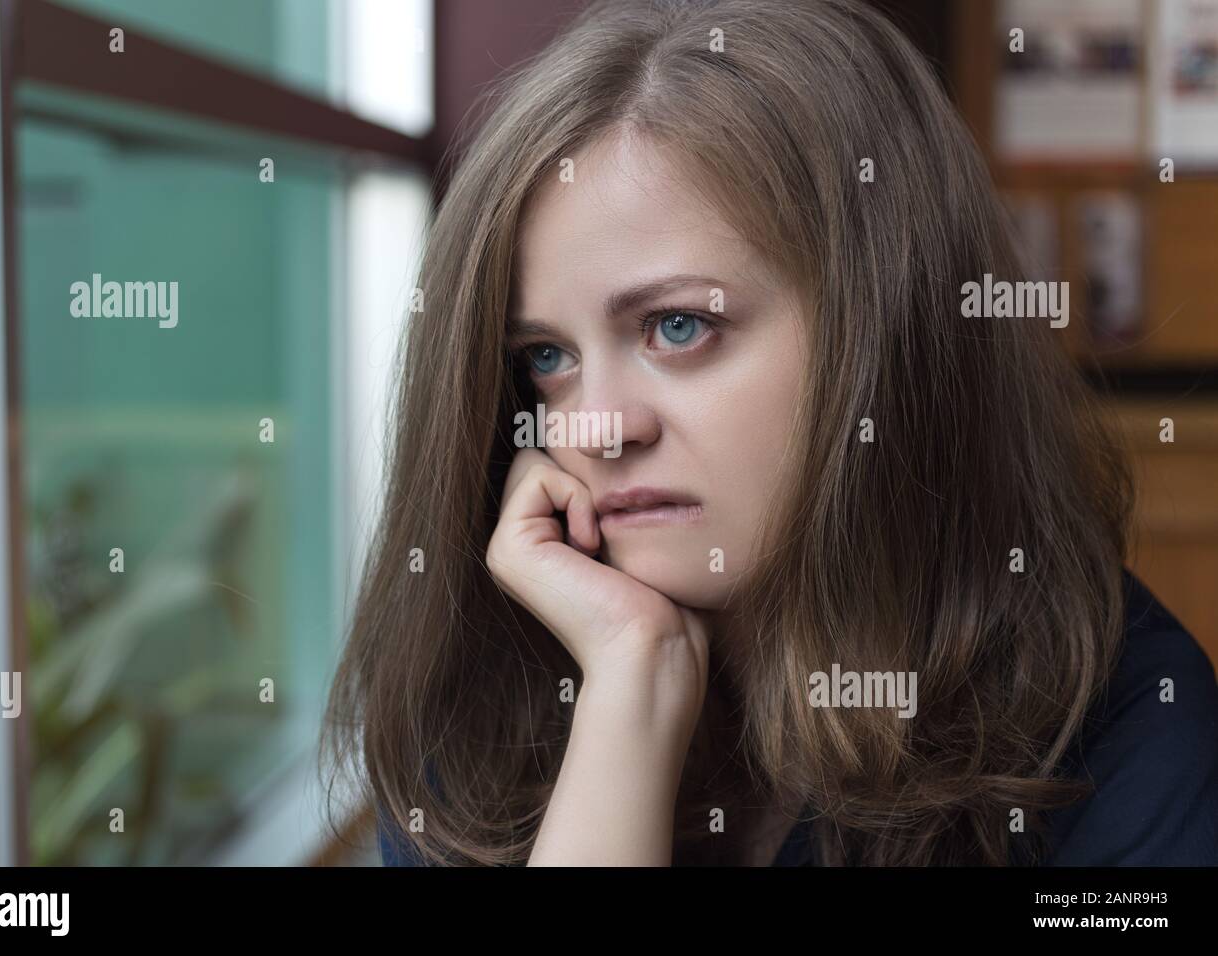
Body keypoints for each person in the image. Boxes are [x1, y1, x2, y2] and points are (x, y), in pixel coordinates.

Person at [322, 0, 1218, 866]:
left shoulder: (1128, 711)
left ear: (883, 335)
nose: (595, 427)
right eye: (547, 357)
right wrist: (634, 685)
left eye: (678, 328)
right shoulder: (480, 693)